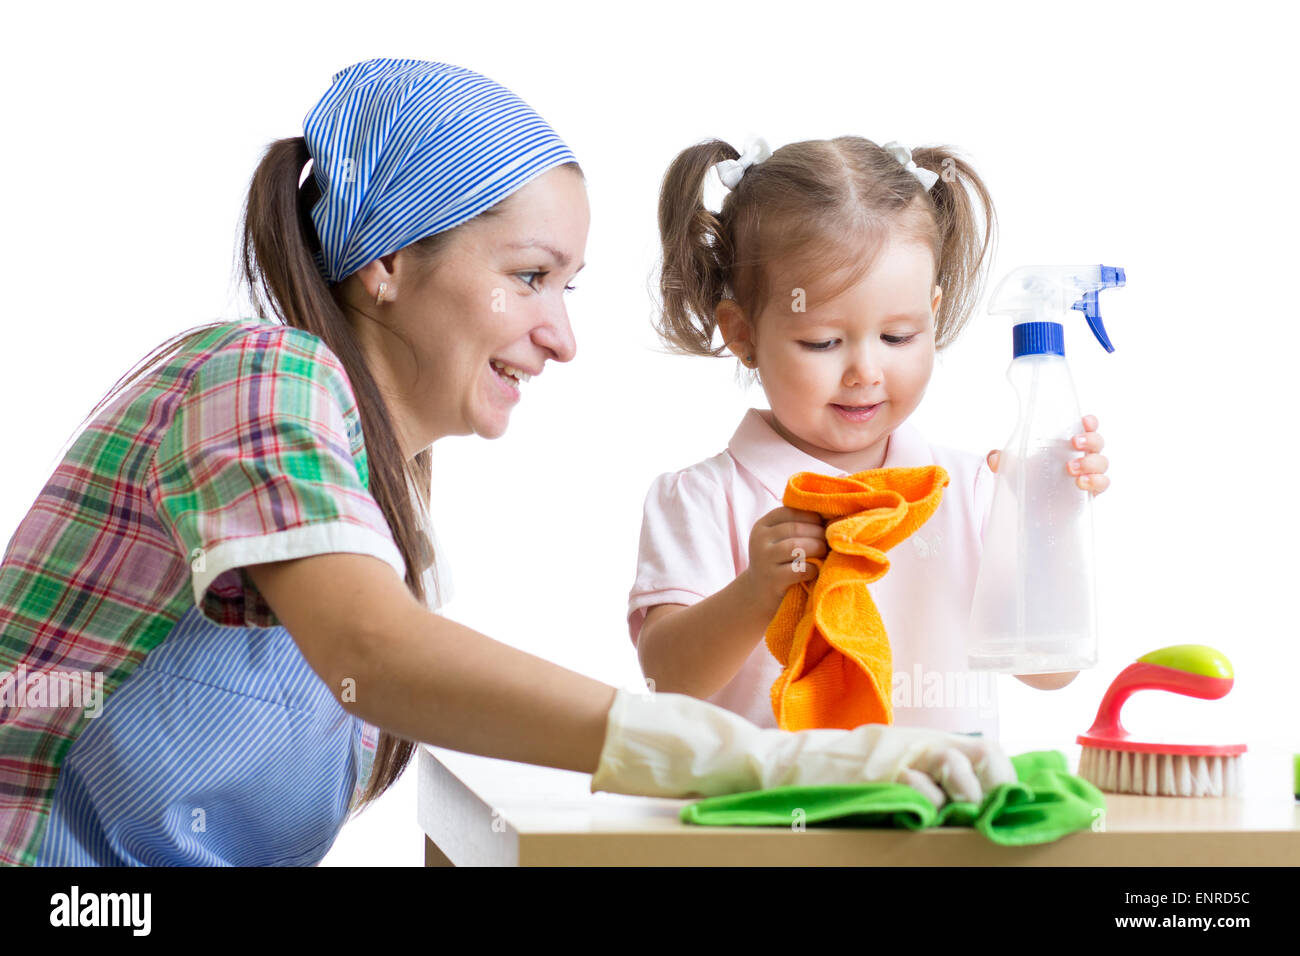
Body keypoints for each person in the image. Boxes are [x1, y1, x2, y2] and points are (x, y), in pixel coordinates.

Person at [0, 60, 1017, 867]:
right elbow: (379, 657)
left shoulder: (391, 511)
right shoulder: (261, 372)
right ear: (386, 262)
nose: (562, 337)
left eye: (567, 286)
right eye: (529, 276)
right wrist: (757, 757)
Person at [630, 136, 1112, 733]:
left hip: (935, 816)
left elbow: (1049, 670)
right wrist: (755, 591)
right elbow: (664, 681)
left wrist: (1045, 518)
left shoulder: (963, 490)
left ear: (932, 315)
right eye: (823, 342)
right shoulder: (704, 500)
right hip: (766, 818)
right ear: (743, 333)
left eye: (899, 336)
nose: (865, 372)